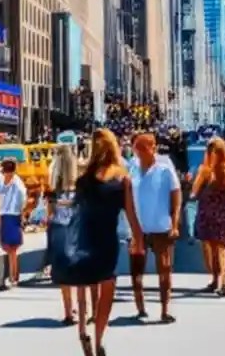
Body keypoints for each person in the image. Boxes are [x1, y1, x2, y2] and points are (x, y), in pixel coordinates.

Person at [51, 129, 143, 356]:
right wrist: (138, 241)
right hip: (107, 240)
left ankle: (82, 330)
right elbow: (132, 216)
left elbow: (75, 213)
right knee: (107, 289)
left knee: (83, 284)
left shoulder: (84, 181)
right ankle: (99, 338)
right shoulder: (122, 181)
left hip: (85, 238)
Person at [128, 132, 181, 322]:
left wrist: (175, 224)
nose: (140, 153)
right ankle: (140, 307)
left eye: (144, 149)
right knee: (136, 270)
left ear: (153, 149)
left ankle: (165, 309)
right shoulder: (131, 169)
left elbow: (176, 198)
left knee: (165, 269)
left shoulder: (165, 169)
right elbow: (127, 200)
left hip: (161, 226)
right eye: (137, 149)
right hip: (138, 229)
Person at [191, 136, 225, 296]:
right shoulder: (208, 169)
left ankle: (222, 282)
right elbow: (195, 190)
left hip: (215, 211)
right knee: (212, 247)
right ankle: (215, 279)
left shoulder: (224, 169)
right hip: (211, 211)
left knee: (219, 247)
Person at [45, 143, 80, 324]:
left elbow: (49, 214)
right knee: (78, 269)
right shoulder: (80, 185)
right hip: (76, 228)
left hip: (59, 228)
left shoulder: (52, 188)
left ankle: (68, 312)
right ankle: (82, 310)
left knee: (63, 272)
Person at [0, 159, 28, 286]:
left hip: (13, 215)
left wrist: (21, 214)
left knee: (12, 248)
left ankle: (14, 276)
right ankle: (13, 275)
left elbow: (21, 200)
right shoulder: (4, 181)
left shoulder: (17, 184)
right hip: (5, 215)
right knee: (8, 248)